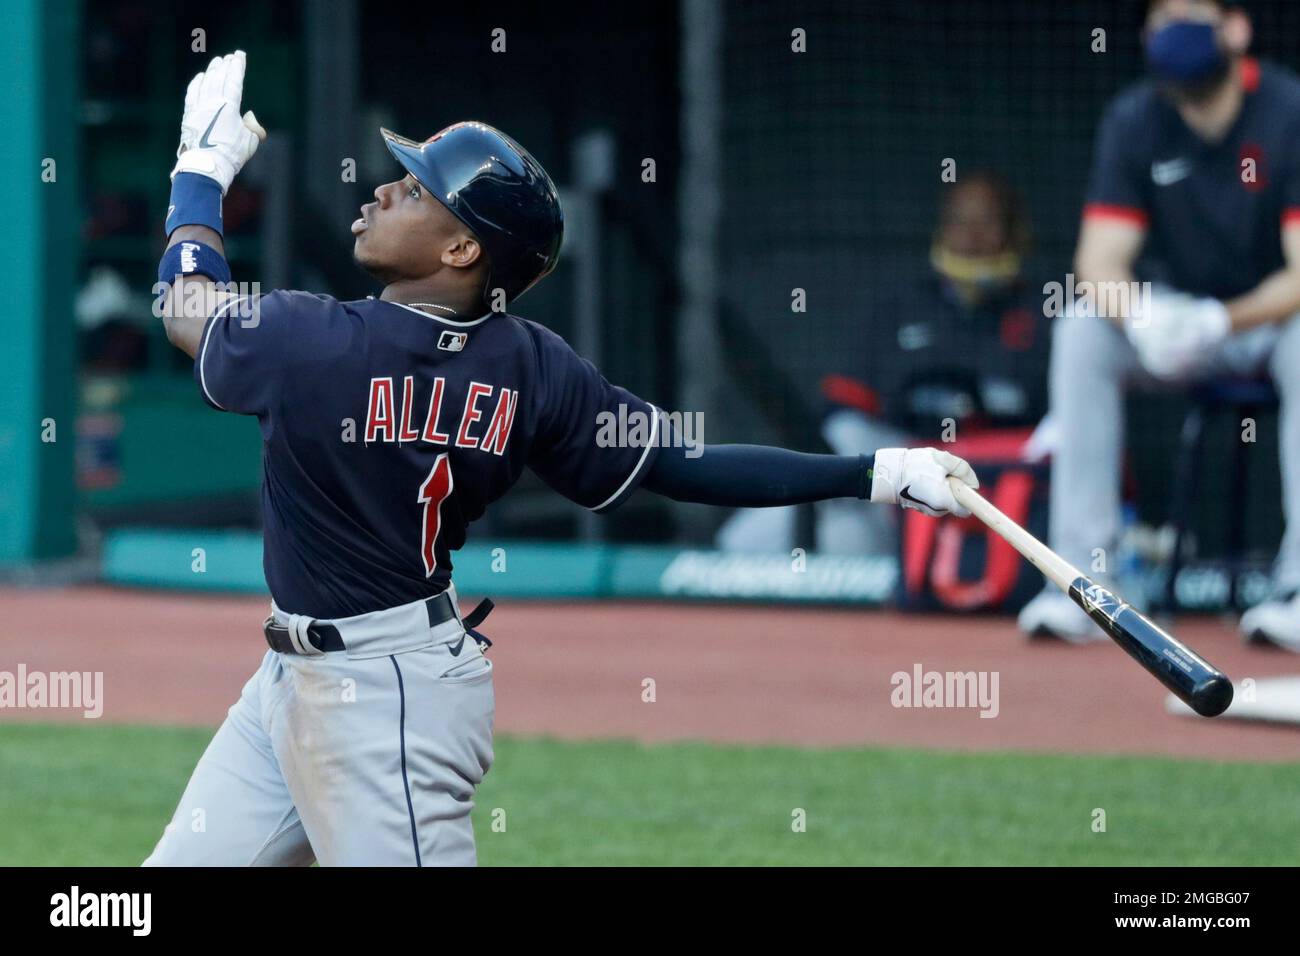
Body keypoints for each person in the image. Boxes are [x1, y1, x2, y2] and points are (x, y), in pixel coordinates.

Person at [141, 52, 979, 866]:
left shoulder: (312, 339)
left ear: (463, 250)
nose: (384, 188)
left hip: (387, 703)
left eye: (417, 188)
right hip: (300, 681)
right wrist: (875, 473)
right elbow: (683, 465)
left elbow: (187, 310)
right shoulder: (531, 365)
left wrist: (200, 175)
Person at [1019, 0, 1300, 647]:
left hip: (1268, 320)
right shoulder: (1137, 117)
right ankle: (1088, 585)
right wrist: (1143, 316)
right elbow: (1099, 259)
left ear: (1236, 27)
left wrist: (1219, 320)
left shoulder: (1286, 111)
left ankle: (1297, 589)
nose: (1172, 31)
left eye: (1190, 14)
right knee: (1084, 328)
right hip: (1171, 324)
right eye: (1161, 18)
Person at [717, 171, 1047, 557]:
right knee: (845, 457)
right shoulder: (904, 307)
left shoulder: (1042, 317)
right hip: (897, 488)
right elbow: (842, 413)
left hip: (984, 488)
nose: (971, 235)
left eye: (985, 221)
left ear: (1013, 232)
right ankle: (724, 557)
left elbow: (1052, 438)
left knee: (847, 530)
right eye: (960, 221)